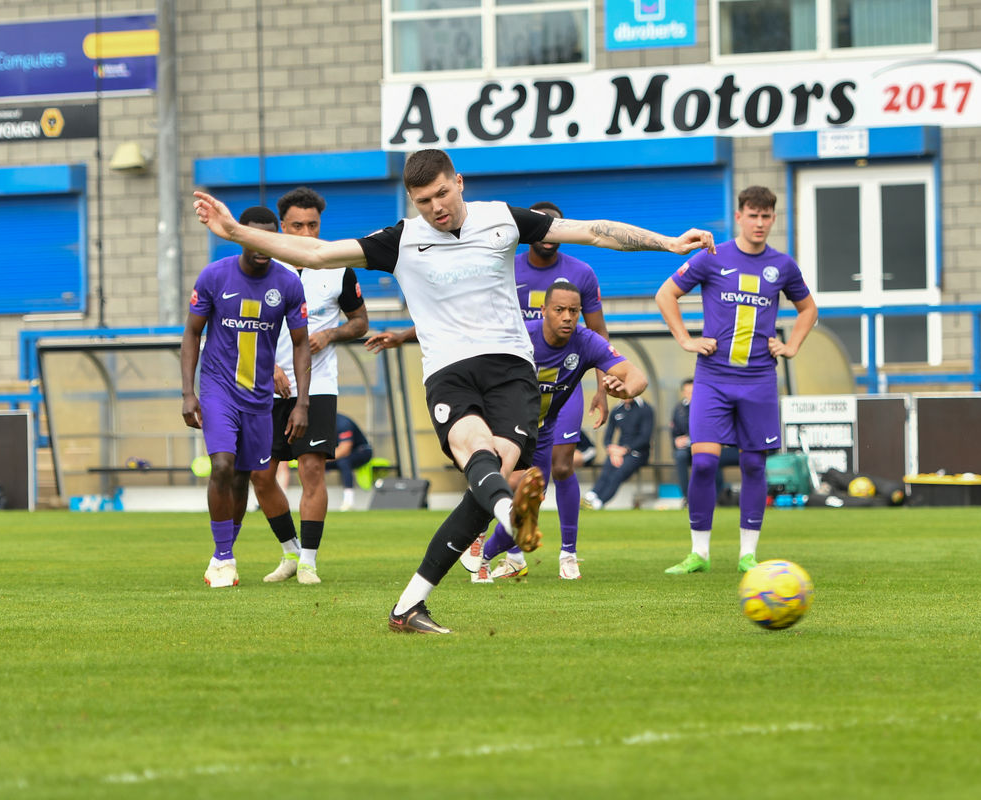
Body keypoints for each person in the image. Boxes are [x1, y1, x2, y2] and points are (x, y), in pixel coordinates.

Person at [193, 147, 715, 633]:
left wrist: (667, 242)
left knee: (493, 474)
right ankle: (514, 515)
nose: (437, 207)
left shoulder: (503, 219)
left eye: (443, 193)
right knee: (477, 454)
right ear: (412, 202)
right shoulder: (401, 239)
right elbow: (317, 250)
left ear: (458, 182)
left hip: (513, 369)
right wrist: (235, 231)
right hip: (450, 372)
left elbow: (593, 232)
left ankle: (408, 605)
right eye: (424, 201)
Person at [374, 201, 615, 580]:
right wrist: (404, 336)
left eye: (555, 225)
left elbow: (598, 333)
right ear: (530, 231)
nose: (548, 232)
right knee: (508, 468)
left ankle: (568, 553)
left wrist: (602, 386)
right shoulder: (504, 263)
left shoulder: (581, 273)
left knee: (563, 464)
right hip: (508, 382)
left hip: (563, 381)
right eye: (542, 225)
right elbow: (459, 317)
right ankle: (508, 549)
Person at [655, 185, 818, 575]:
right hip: (713, 378)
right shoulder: (713, 258)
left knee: (754, 467)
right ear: (740, 216)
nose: (759, 223)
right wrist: (685, 340)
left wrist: (792, 345)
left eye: (766, 216)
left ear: (773, 219)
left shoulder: (783, 266)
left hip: (760, 379)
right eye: (753, 215)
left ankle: (748, 554)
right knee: (705, 462)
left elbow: (808, 307)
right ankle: (699, 552)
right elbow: (666, 294)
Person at [471, 279, 647, 581]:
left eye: (574, 311)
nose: (567, 317)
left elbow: (636, 376)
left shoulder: (587, 341)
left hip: (542, 430)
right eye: (559, 310)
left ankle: (489, 555)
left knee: (529, 505)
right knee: (504, 489)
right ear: (543, 311)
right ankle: (477, 542)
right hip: (506, 427)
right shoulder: (520, 336)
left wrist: (625, 388)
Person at [180, 206, 310, 589]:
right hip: (218, 389)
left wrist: (302, 403)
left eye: (267, 239)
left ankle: (223, 555)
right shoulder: (215, 275)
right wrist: (189, 393)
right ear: (239, 237)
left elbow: (301, 344)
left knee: (246, 477)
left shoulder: (288, 284)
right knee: (222, 465)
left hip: (260, 399)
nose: (260, 246)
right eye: (252, 237)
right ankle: (223, 557)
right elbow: (191, 334)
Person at [249, 187, 369, 586]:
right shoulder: (262, 266)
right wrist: (266, 370)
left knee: (311, 469)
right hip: (266, 387)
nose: (305, 232)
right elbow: (238, 332)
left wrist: (330, 335)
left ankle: (309, 563)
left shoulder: (337, 267)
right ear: (283, 226)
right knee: (262, 474)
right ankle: (290, 552)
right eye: (297, 225)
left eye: (313, 225)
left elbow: (360, 323)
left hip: (318, 386)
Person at [582, 395, 654, 509]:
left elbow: (645, 437)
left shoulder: (645, 408)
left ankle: (599, 502)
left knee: (617, 475)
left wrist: (624, 450)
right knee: (606, 471)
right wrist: (612, 450)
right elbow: (607, 437)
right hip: (618, 453)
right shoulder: (617, 409)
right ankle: (591, 496)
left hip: (638, 453)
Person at [326, 412, 374, 511]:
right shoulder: (318, 424)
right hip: (336, 454)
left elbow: (345, 449)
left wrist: (322, 459)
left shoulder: (343, 422)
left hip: (362, 452)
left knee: (343, 461)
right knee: (313, 465)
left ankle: (348, 501)